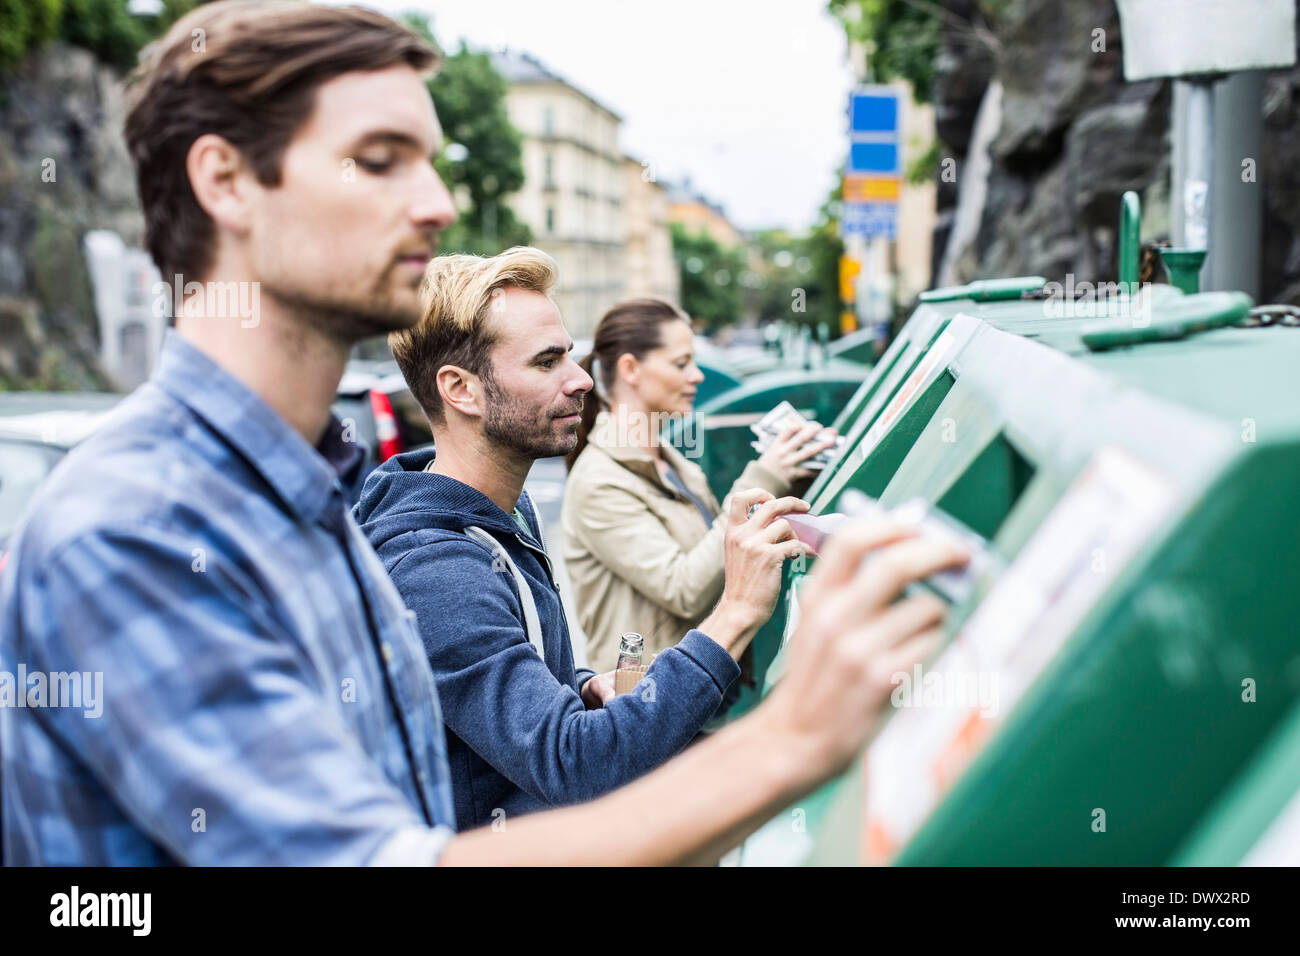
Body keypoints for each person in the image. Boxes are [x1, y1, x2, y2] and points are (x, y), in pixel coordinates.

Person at [0, 0, 965, 866]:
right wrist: (792, 735)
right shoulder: (145, 527)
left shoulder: (310, 499)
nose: (437, 203)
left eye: (428, 161)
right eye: (378, 161)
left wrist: (586, 692)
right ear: (226, 181)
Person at [354, 248, 811, 828]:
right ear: (461, 390)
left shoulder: (502, 510)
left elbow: (509, 689)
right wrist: (739, 610)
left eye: (569, 353)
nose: (582, 380)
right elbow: (573, 763)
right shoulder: (434, 568)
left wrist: (582, 685)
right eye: (547, 363)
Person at [562, 297, 837, 674]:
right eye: (681, 364)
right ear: (631, 369)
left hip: (700, 687)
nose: (697, 375)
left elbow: (717, 556)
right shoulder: (599, 481)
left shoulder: (669, 459)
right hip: (650, 705)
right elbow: (685, 589)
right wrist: (762, 477)